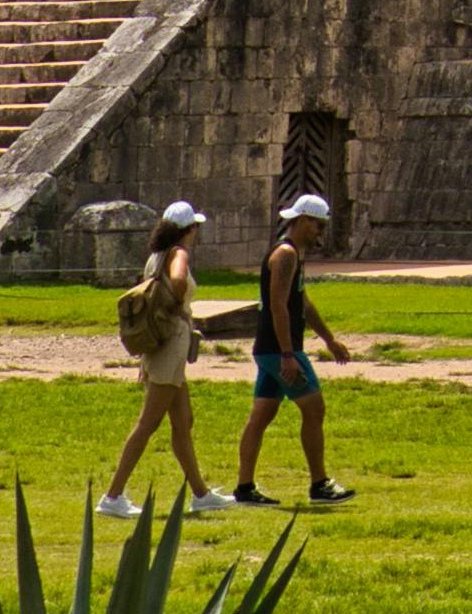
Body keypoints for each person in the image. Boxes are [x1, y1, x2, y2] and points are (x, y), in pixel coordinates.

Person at [227, 190, 353, 506]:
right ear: (300, 220)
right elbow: (279, 306)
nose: (320, 232)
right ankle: (320, 484)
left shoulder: (295, 253)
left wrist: (328, 339)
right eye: (317, 225)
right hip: (279, 350)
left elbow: (303, 302)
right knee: (314, 408)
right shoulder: (285, 255)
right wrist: (287, 354)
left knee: (261, 415)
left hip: (273, 349)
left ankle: (245, 488)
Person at [96, 199, 214, 519]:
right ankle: (113, 494)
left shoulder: (155, 257)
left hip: (161, 342)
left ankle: (201, 493)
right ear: (189, 229)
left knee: (183, 422)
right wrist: (177, 306)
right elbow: (177, 281)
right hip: (171, 341)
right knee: (148, 423)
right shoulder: (179, 254)